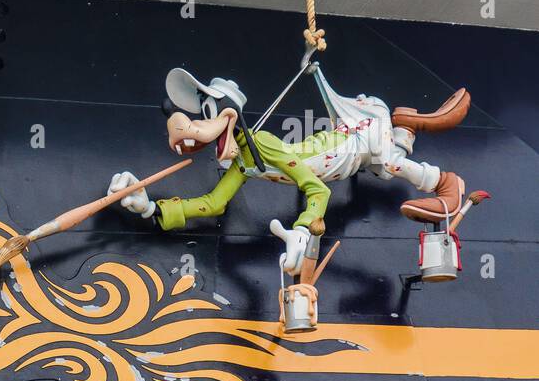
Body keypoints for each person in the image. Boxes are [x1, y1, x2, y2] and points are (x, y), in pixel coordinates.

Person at [108, 67, 470, 275]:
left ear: (231, 117)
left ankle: (445, 183)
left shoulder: (262, 144)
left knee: (387, 164)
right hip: (341, 161)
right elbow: (214, 204)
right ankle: (405, 128)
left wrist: (302, 228)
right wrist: (154, 209)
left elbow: (317, 191)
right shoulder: (243, 161)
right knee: (383, 167)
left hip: (344, 147)